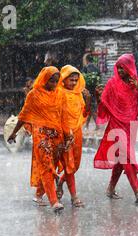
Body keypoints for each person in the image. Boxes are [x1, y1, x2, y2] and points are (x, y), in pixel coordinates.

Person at [93, 54, 138, 204]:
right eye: (118, 67)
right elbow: (104, 104)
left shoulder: (136, 82)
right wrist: (98, 97)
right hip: (116, 126)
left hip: (130, 126)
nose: (120, 70)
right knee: (125, 157)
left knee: (120, 159)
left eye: (122, 67)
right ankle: (137, 192)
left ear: (129, 67)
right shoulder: (112, 83)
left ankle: (110, 189)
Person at [7, 67, 66, 212]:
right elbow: (24, 115)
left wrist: (68, 133)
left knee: (52, 164)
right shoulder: (33, 95)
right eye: (51, 80)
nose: (53, 84)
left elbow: (63, 115)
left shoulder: (59, 94)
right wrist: (14, 133)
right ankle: (54, 201)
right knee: (47, 166)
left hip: (56, 135)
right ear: (44, 78)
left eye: (56, 81)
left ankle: (39, 193)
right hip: (40, 134)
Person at [56, 65, 91, 208]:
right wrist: (64, 131)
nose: (74, 83)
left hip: (77, 133)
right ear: (63, 79)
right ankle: (74, 196)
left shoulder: (78, 95)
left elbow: (84, 113)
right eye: (71, 80)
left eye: (76, 80)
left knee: (75, 165)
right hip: (64, 134)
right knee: (69, 165)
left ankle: (60, 182)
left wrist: (88, 100)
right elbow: (56, 115)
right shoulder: (58, 93)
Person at [82, 53, 101, 131]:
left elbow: (82, 78)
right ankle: (88, 125)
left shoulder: (86, 67)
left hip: (88, 90)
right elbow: (99, 77)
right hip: (95, 90)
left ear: (86, 60)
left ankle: (95, 125)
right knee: (91, 107)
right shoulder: (96, 68)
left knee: (90, 108)